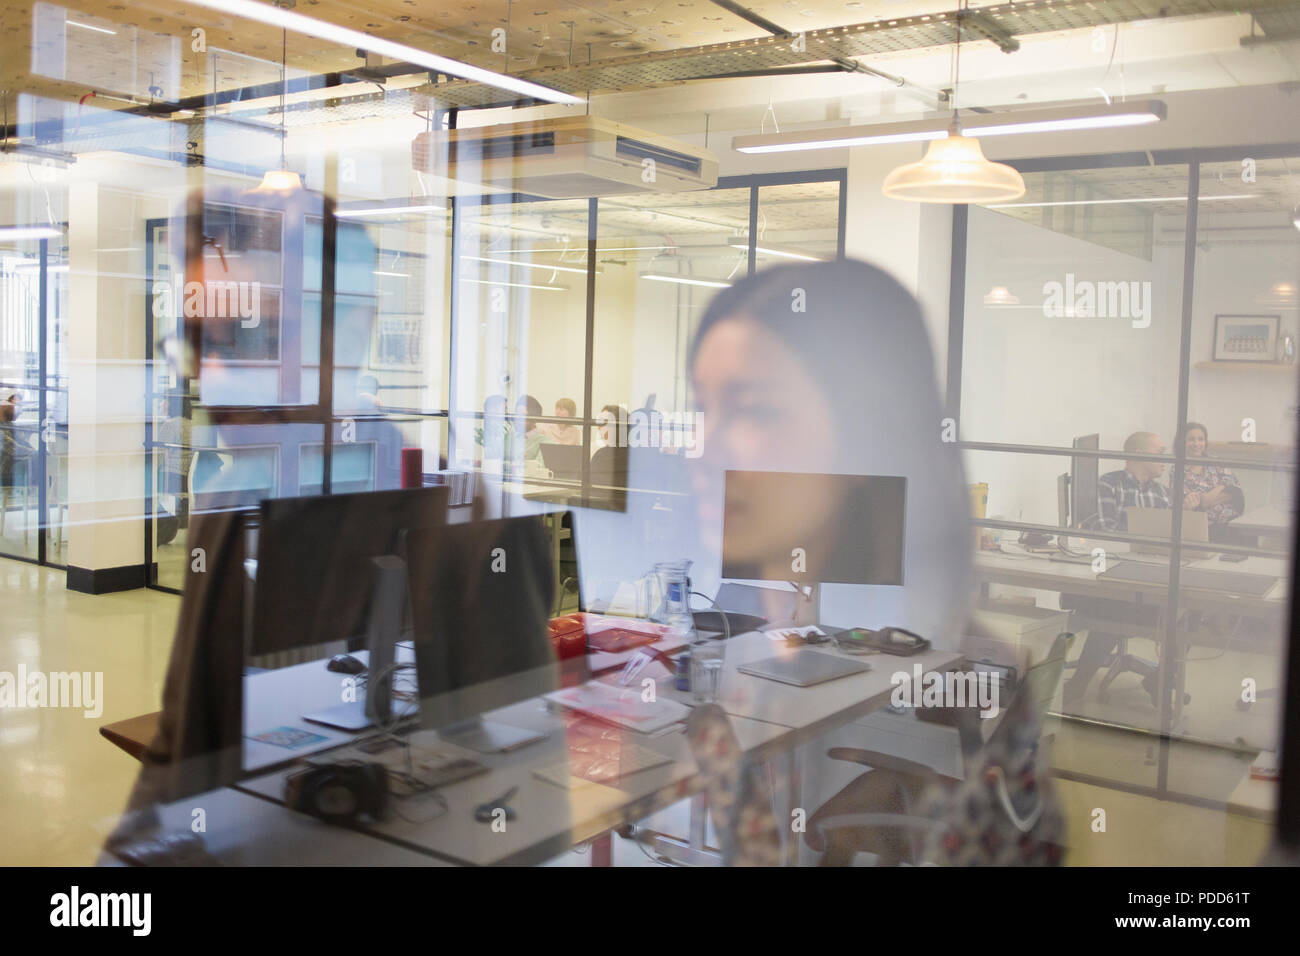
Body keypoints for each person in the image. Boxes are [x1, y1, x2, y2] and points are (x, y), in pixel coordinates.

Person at [1063, 431, 1171, 707]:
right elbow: (1107, 532)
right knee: (1114, 611)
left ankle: (1159, 680)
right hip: (1117, 575)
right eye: (1160, 452)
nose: (1166, 459)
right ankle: (1079, 683)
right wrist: (1144, 540)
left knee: (1185, 616)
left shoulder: (1160, 492)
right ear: (1140, 454)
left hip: (1152, 575)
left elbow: (1170, 535)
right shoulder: (1109, 485)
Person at [1178, 422, 1243, 539]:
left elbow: (1236, 493)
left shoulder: (1215, 461)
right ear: (1182, 442)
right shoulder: (1177, 469)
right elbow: (1191, 505)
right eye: (1191, 439)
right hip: (1204, 529)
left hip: (1232, 522)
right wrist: (1223, 488)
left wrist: (1208, 497)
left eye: (1201, 439)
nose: (1197, 444)